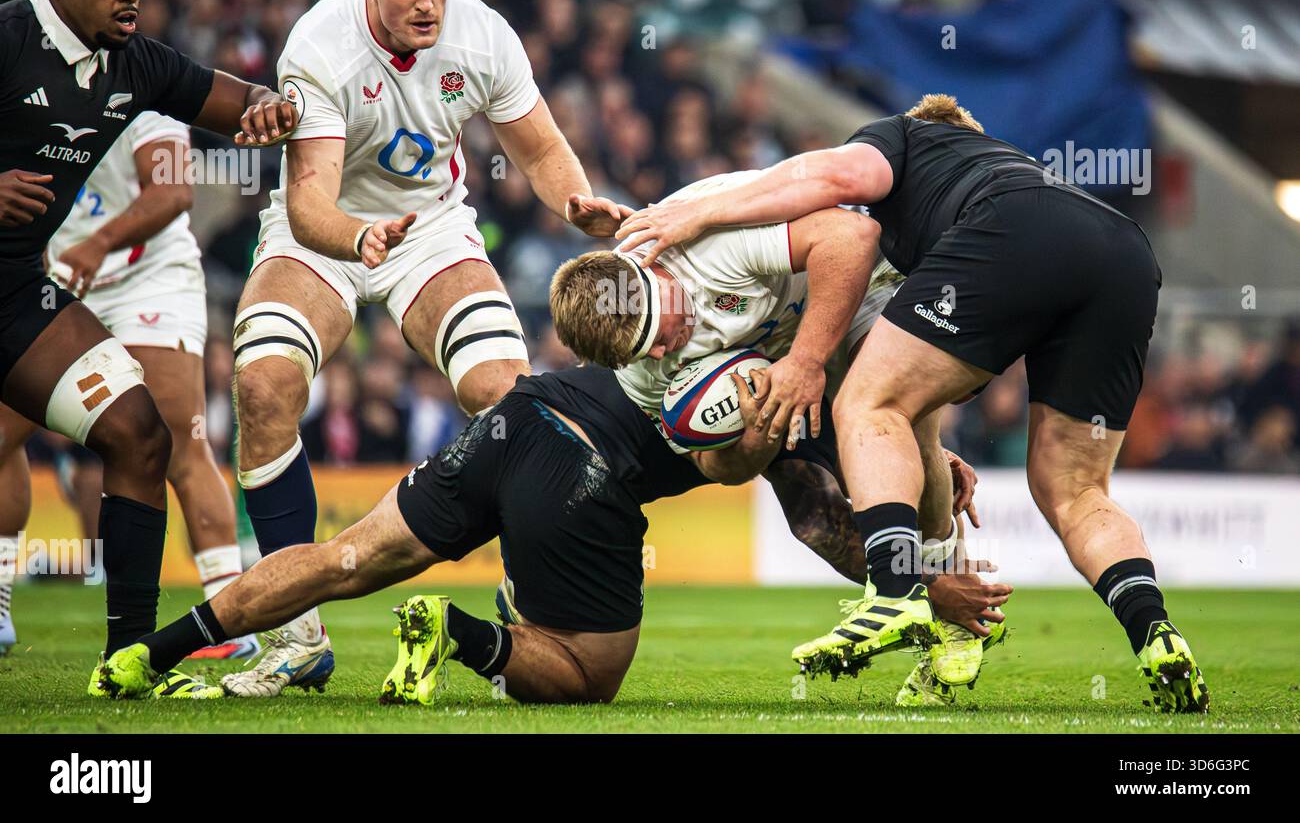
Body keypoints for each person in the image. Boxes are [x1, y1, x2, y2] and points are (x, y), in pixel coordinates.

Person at [614, 94, 1209, 713]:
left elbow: (837, 177)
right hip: (1126, 255)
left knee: (869, 405)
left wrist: (693, 212)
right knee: (1076, 491)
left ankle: (894, 595)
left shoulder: (907, 136)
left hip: (1017, 233)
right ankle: (1153, 629)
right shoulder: (1005, 167)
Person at [223, 0, 628, 697]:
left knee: (511, 398)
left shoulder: (482, 33)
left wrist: (575, 202)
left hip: (431, 228)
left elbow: (541, 150)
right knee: (264, 385)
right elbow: (309, 200)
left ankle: (528, 608)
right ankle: (295, 638)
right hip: (326, 232)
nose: (429, 2)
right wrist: (357, 240)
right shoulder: (320, 45)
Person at [92, 362, 1011, 706]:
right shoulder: (806, 394)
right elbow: (815, 518)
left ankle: (144, 657)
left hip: (521, 411)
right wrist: (927, 586)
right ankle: (457, 633)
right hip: (587, 472)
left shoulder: (749, 314)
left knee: (341, 560)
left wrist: (927, 455)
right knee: (585, 676)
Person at [0, 0, 299, 696]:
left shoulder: (137, 65)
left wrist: (269, 109)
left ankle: (127, 658)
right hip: (42, 274)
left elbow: (234, 102)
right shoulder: (7, 39)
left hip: (18, 291)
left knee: (140, 435)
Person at [549, 169, 1000, 693]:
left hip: (851, 286)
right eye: (641, 353)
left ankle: (949, 594)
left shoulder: (706, 248)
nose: (661, 353)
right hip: (773, 361)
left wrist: (807, 362)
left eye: (655, 333)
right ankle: (935, 594)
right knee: (815, 523)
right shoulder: (642, 374)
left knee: (895, 414)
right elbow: (716, 468)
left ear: (650, 272)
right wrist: (758, 434)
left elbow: (853, 237)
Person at [0, 111, 258, 660]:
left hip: (149, 279)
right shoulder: (20, 90)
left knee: (179, 441)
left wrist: (96, 245)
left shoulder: (142, 88)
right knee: (3, 431)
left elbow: (173, 192)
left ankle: (232, 617)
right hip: (58, 280)